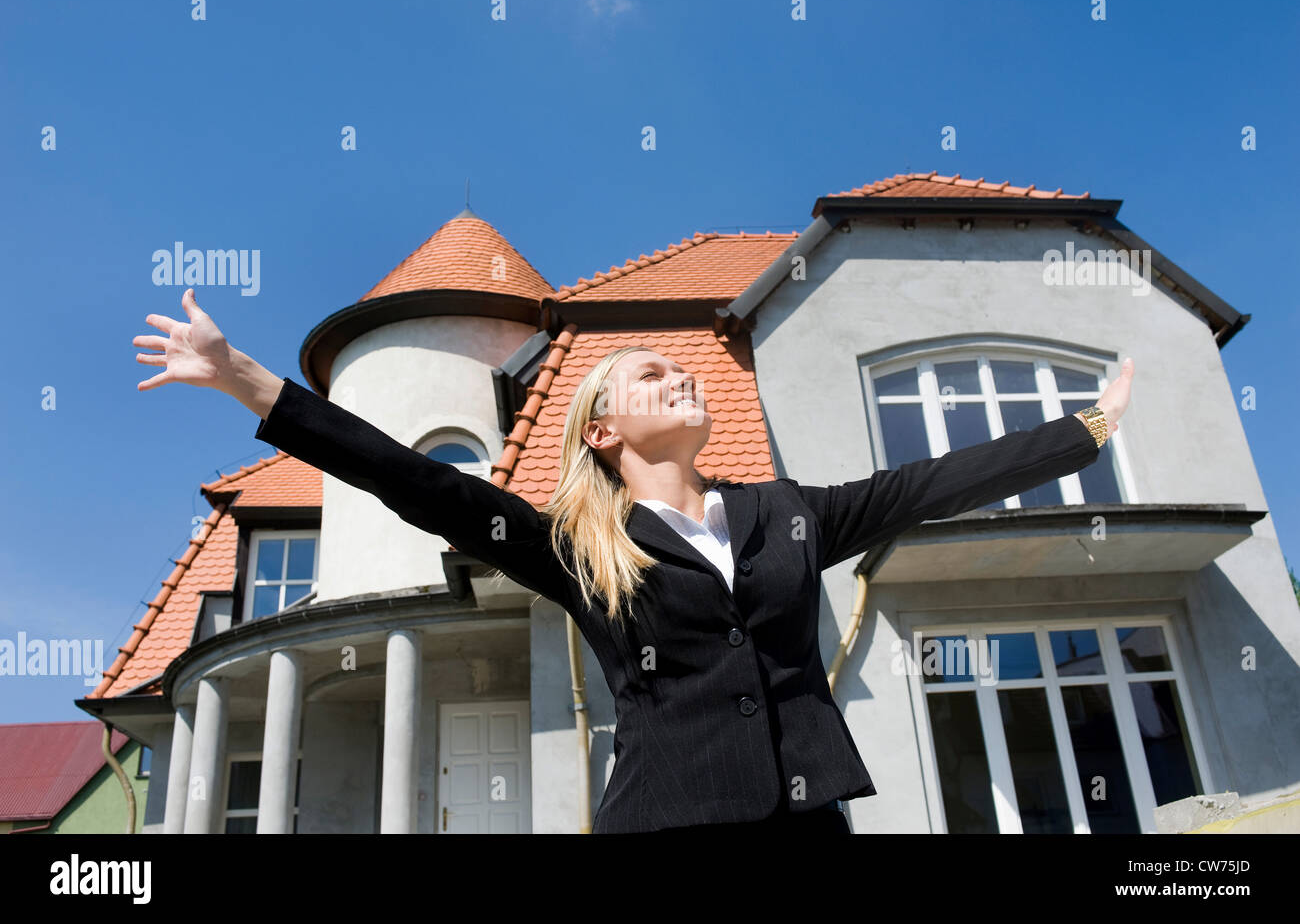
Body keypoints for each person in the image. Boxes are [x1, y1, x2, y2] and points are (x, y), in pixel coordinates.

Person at [134, 287, 1134, 834]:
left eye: (679, 367)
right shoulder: (576, 548)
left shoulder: (789, 514)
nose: (680, 375)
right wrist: (253, 385)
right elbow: (419, 482)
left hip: (808, 814)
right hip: (666, 821)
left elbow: (928, 482)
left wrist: (1083, 430)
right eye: (653, 374)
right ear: (603, 427)